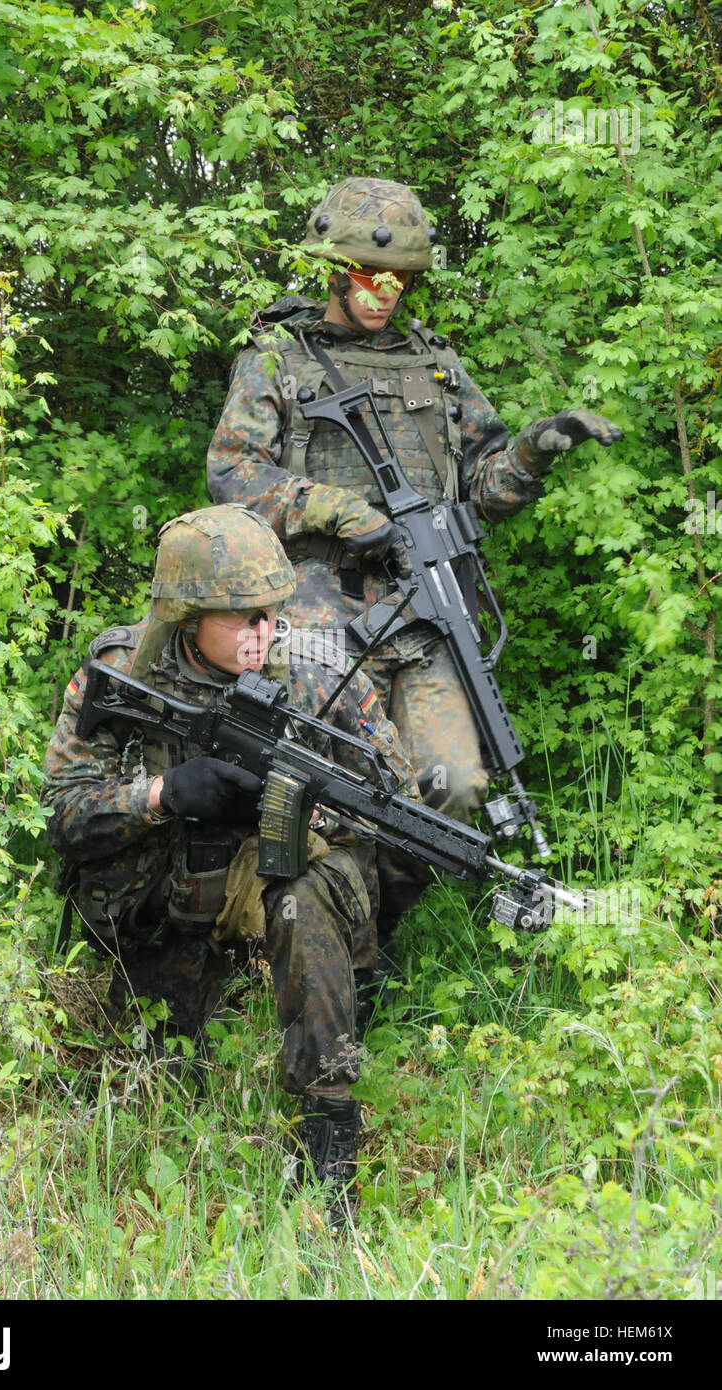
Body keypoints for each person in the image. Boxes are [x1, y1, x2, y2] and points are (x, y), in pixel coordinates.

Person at [206, 176, 623, 933]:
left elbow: (484, 489)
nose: (383, 292)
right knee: (334, 782)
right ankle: (318, 947)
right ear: (335, 270)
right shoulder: (277, 358)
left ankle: (380, 926)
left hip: (425, 612)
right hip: (318, 611)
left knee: (456, 785)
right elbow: (233, 473)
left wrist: (535, 448)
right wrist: (333, 509)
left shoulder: (435, 365)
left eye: (398, 279)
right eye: (369, 276)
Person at [41, 504, 418, 1216]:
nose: (263, 633)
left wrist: (296, 805)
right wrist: (161, 793)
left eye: (271, 614)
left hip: (270, 884)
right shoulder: (122, 672)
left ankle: (327, 1127)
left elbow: (392, 798)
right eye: (241, 618)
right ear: (186, 616)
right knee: (160, 1089)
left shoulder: (317, 671)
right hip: (165, 900)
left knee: (311, 896)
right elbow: (60, 815)